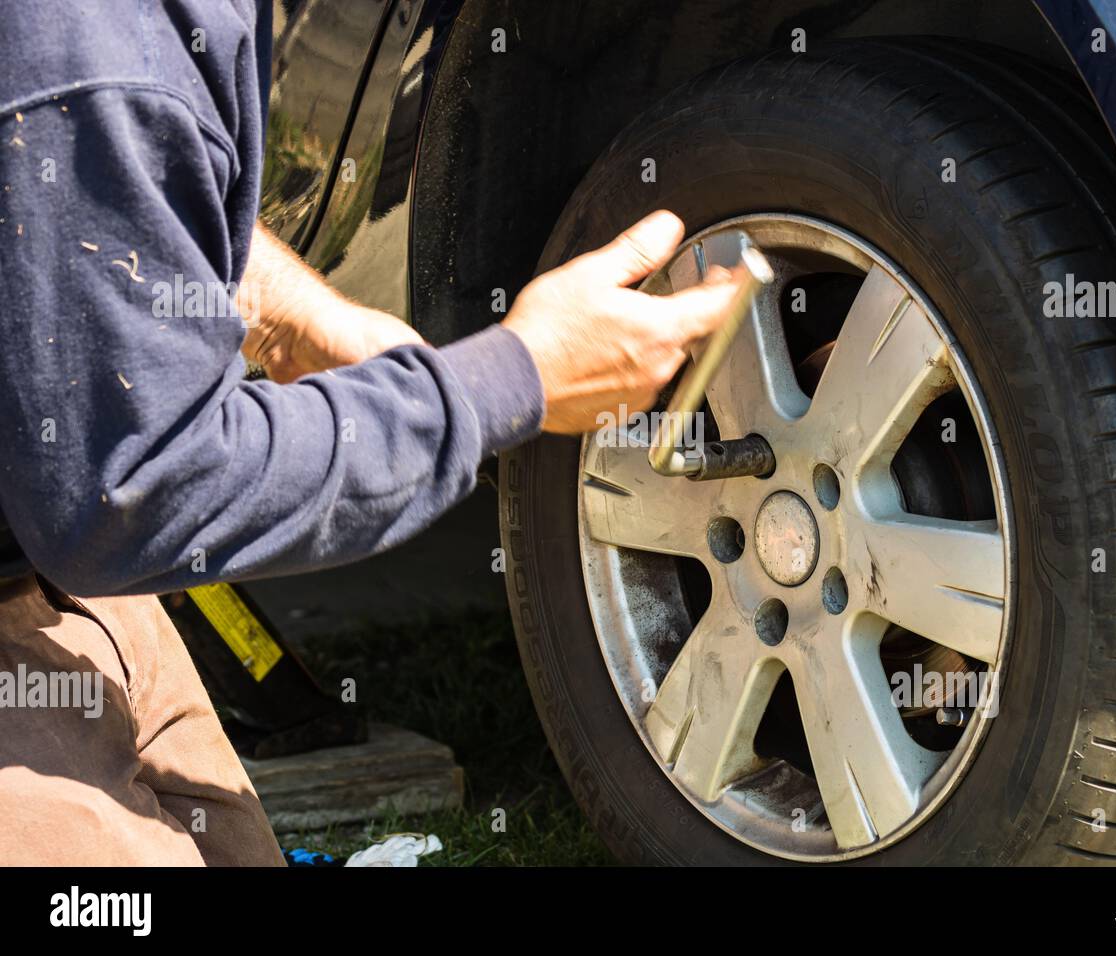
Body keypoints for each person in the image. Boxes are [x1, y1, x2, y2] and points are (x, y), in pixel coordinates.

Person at [0, 0, 744, 865]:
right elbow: (129, 487)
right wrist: (511, 380)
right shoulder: (90, 32)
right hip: (80, 527)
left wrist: (295, 320)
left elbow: (107, 195)